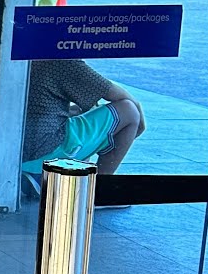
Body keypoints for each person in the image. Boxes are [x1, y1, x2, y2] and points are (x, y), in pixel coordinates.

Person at [21, 59, 144, 191]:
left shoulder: (24, 56)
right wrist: (139, 125)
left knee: (81, 113)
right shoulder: (62, 61)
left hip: (11, 149)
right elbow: (115, 93)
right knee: (129, 111)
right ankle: (98, 190)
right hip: (40, 151)